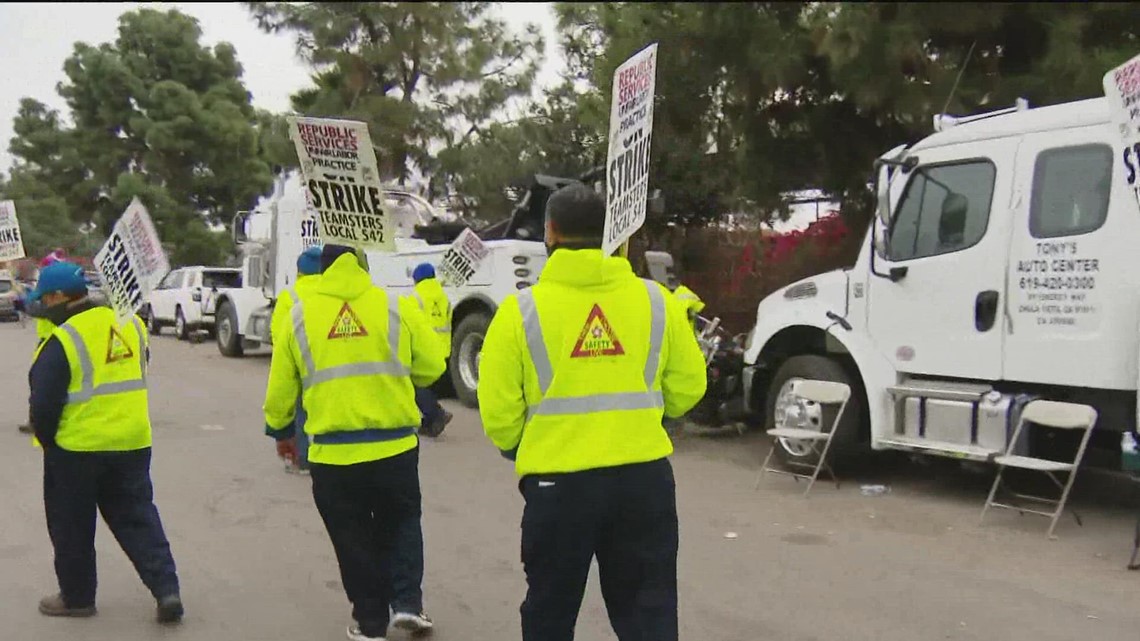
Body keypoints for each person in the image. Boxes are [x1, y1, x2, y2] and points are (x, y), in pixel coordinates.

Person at [477, 183, 707, 641]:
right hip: (643, 480)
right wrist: (650, 419)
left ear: (550, 232)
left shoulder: (519, 312)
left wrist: (523, 445)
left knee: (549, 611)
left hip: (557, 486)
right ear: (612, 233)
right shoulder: (656, 301)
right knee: (648, 613)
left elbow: (500, 413)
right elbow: (688, 388)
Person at [263, 244, 447, 641]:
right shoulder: (397, 306)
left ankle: (371, 623)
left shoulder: (298, 316)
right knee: (401, 524)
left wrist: (281, 433)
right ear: (365, 266)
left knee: (352, 539)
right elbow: (432, 366)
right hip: (394, 448)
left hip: (332, 455)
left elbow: (280, 390)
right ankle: (408, 605)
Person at [27, 261, 183, 623]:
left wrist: (47, 440)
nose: (41, 305)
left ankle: (77, 598)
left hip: (76, 450)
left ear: (60, 297)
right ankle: (167, 590)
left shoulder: (63, 338)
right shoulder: (132, 325)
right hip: (132, 442)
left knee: (71, 527)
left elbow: (44, 404)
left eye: (44, 299)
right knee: (139, 519)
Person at [271, 245, 324, 475]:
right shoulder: (329, 293)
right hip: (329, 360)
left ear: (299, 271)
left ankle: (303, 460)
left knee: (300, 412)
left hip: (299, 361)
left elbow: (277, 332)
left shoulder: (289, 296)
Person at [19, 253, 67, 434]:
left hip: (53, 341)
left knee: (41, 382)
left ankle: (39, 421)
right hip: (49, 339)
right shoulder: (56, 291)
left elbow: (38, 310)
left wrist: (27, 299)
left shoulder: (55, 294)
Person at [408, 263, 453, 438]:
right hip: (443, 349)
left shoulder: (415, 297)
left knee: (415, 385)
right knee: (427, 386)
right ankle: (428, 423)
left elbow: (412, 324)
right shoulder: (444, 297)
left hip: (425, 348)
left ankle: (436, 414)